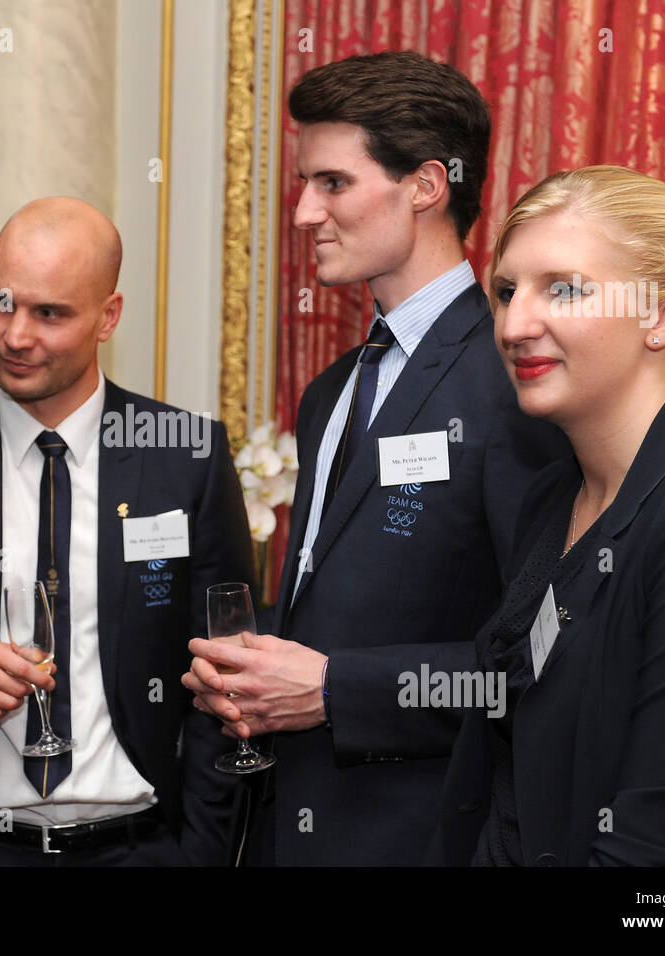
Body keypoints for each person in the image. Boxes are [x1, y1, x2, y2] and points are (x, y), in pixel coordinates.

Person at [183, 51, 567, 865]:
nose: (301, 213)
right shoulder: (332, 390)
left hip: (425, 837)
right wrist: (252, 673)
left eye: (331, 183)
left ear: (427, 185)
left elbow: (540, 659)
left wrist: (329, 690)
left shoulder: (514, 383)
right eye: (302, 184)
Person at [0, 197, 255, 865]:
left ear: (109, 317)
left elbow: (227, 666)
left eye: (50, 313)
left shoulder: (186, 458)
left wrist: (200, 850)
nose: (15, 335)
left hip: (143, 847)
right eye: (2, 301)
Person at [432, 165, 665, 866]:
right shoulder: (554, 496)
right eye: (507, 291)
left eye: (563, 289)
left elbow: (664, 853)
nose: (515, 325)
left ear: (663, 317)